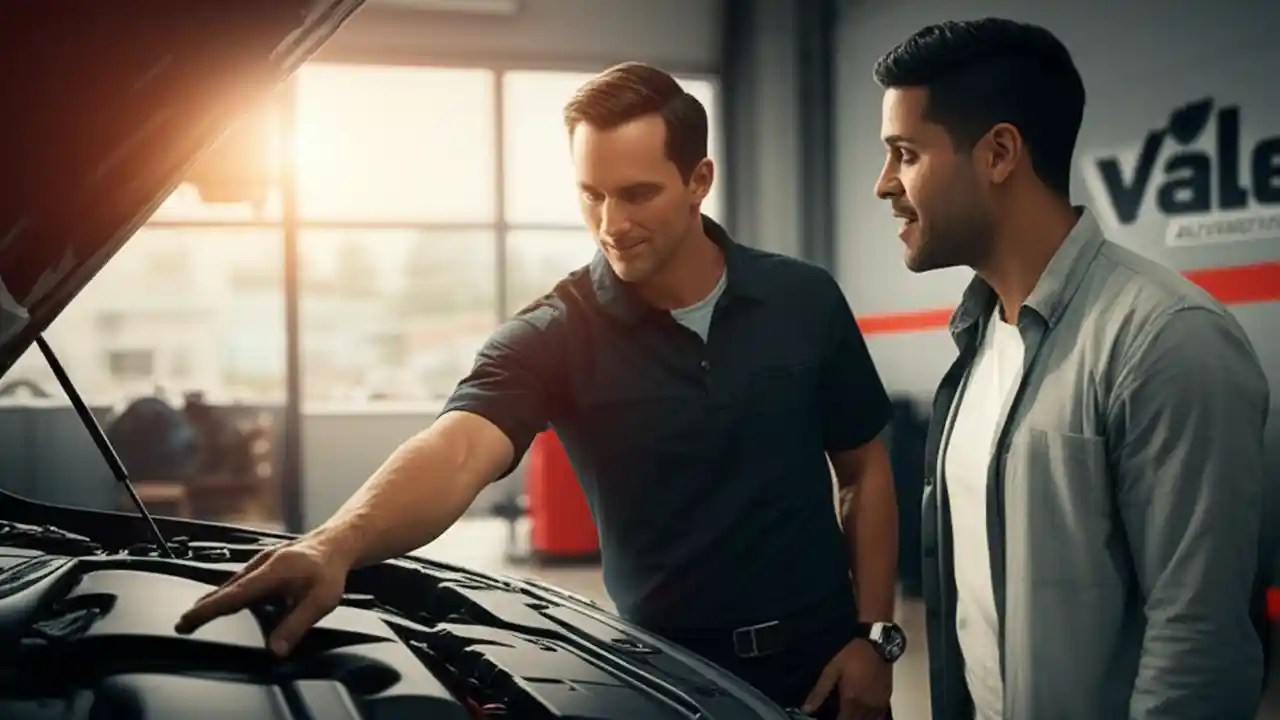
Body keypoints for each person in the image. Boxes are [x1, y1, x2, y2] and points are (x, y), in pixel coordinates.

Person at [177, 62, 903, 718]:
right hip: (670, 680)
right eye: (592, 195)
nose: (612, 225)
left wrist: (875, 638)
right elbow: (458, 450)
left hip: (827, 669)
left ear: (699, 180)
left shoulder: (804, 298)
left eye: (637, 194)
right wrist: (337, 542)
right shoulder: (556, 332)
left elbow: (864, 472)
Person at [871, 17, 1272, 720]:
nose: (884, 185)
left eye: (905, 154)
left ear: (999, 154)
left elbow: (1198, 643)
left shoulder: (1168, 340)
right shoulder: (977, 338)